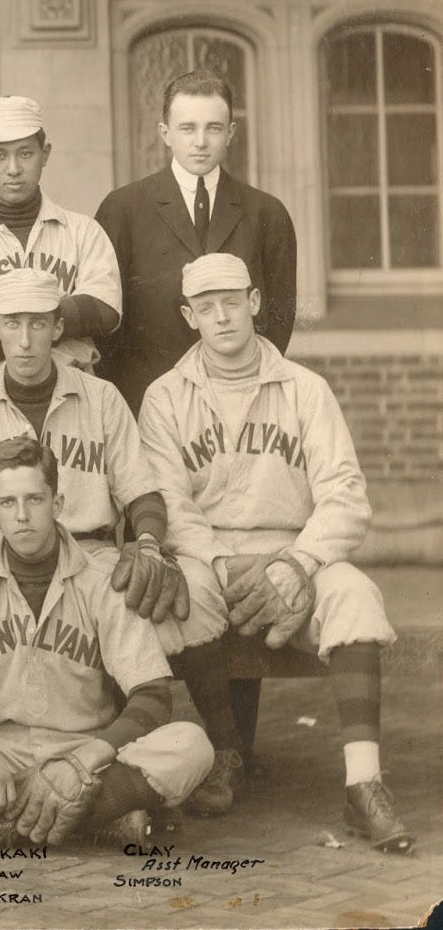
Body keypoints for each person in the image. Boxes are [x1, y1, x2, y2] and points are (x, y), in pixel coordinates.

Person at [138, 253, 412, 853]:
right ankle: (226, 749)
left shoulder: (306, 389)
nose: (222, 317)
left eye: (232, 302)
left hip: (296, 550)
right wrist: (220, 564)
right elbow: (171, 503)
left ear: (255, 303)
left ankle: (363, 783)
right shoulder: (164, 397)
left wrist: (299, 563)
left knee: (358, 598)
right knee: (180, 597)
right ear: (190, 317)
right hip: (209, 555)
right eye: (206, 308)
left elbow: (345, 495)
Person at [0, 267, 233, 814]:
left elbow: (142, 493)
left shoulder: (101, 398)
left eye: (38, 323)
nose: (26, 339)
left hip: (92, 551)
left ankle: (224, 749)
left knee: (184, 599)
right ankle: (93, 792)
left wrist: (148, 544)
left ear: (59, 327)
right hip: (4, 554)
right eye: (13, 324)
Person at [0, 437, 215, 846]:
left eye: (35, 500)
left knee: (192, 745)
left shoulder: (101, 581)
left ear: (57, 504)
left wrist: (81, 762)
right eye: (7, 503)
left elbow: (151, 694)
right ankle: (97, 823)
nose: (22, 515)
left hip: (83, 753)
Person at [95, 70, 297, 413]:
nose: (200, 141)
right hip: (146, 404)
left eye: (213, 128)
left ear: (231, 132)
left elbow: (278, 320)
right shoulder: (123, 208)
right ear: (165, 133)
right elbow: (107, 322)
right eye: (187, 128)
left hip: (240, 402)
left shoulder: (266, 213)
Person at [0, 95, 122, 390]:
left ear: (45, 154)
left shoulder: (84, 232)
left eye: (25, 153)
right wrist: (60, 314)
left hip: (78, 392)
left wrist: (0, 314)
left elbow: (105, 313)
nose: (13, 168)